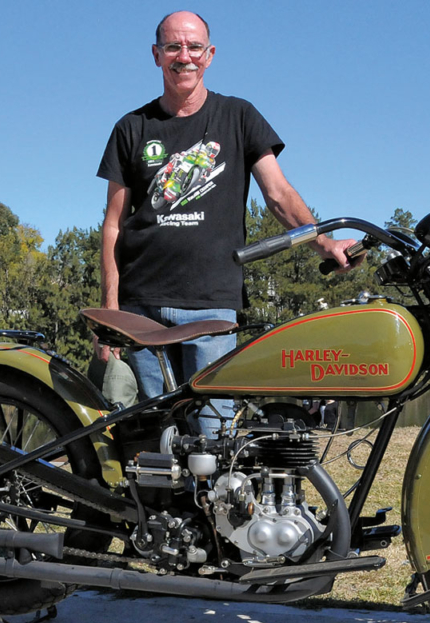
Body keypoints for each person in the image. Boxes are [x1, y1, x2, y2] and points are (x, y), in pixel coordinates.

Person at [94, 11, 359, 434]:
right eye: (173, 47)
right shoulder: (131, 128)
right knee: (156, 440)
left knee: (216, 440)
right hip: (141, 308)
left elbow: (279, 195)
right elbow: (112, 225)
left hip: (212, 308)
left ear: (210, 54)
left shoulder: (239, 116)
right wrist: (111, 309)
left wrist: (324, 243)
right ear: (156, 55)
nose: (185, 57)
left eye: (194, 47)